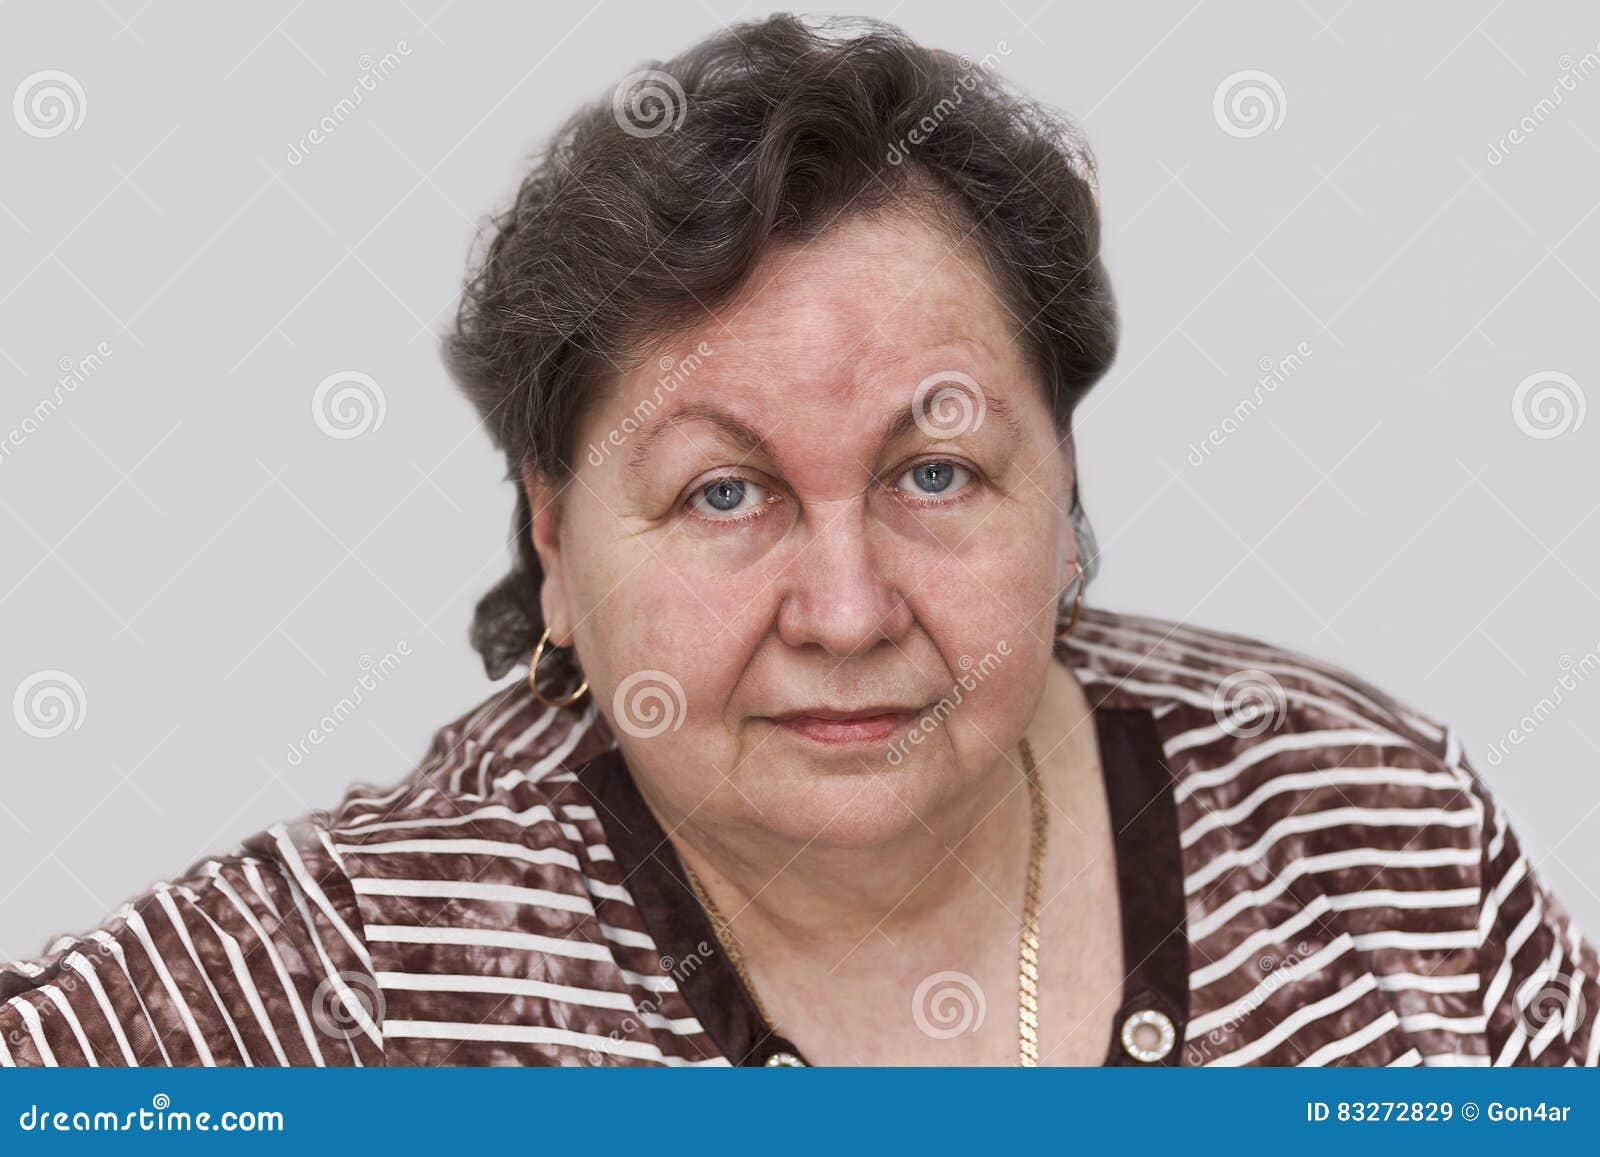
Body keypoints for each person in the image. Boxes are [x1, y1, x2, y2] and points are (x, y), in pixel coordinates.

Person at [2, 14, 1594, 1068]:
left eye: (937, 473)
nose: (844, 610)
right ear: (552, 537)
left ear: (1065, 496)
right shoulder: (359, 971)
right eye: (723, 491)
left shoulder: (1380, 832)